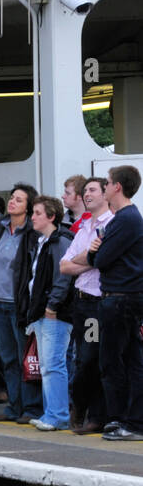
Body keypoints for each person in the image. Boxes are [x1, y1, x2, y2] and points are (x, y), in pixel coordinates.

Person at [79, 165, 143, 440]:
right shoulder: (126, 219)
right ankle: (126, 420)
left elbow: (101, 260)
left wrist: (94, 253)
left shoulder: (126, 220)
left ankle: (124, 420)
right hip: (121, 300)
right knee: (127, 361)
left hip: (120, 300)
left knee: (115, 362)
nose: (103, 187)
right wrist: (97, 252)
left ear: (117, 187)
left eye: (105, 183)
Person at [60, 176, 113, 434]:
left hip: (98, 304)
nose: (86, 194)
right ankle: (82, 408)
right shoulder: (84, 228)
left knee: (94, 358)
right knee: (84, 359)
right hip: (81, 304)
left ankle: (94, 415)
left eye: (92, 190)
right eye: (85, 191)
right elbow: (64, 265)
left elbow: (104, 258)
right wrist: (90, 257)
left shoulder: (112, 224)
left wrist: (89, 258)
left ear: (106, 193)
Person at [0, 184, 41, 423]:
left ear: (28, 207)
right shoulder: (0, 228)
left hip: (18, 304)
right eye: (12, 198)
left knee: (24, 358)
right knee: (7, 358)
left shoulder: (31, 233)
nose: (12, 202)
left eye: (19, 200)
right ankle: (13, 407)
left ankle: (31, 408)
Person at [19, 196, 75, 431]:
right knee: (47, 366)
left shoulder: (59, 242)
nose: (32, 217)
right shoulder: (42, 242)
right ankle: (51, 412)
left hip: (54, 313)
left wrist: (52, 306)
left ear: (51, 216)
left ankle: (58, 415)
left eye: (38, 213)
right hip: (42, 312)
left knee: (53, 365)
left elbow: (63, 276)